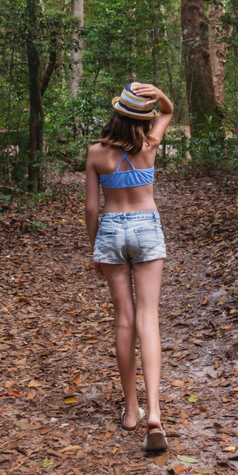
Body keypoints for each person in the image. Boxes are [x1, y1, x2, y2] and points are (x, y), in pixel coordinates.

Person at [85, 82, 174, 452]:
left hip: (111, 231)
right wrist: (159, 94)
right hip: (146, 229)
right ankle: (155, 412)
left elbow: (91, 208)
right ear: (141, 118)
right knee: (147, 318)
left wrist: (96, 250)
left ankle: (132, 409)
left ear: (115, 114)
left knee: (124, 320)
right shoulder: (149, 146)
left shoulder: (95, 154)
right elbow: (168, 111)